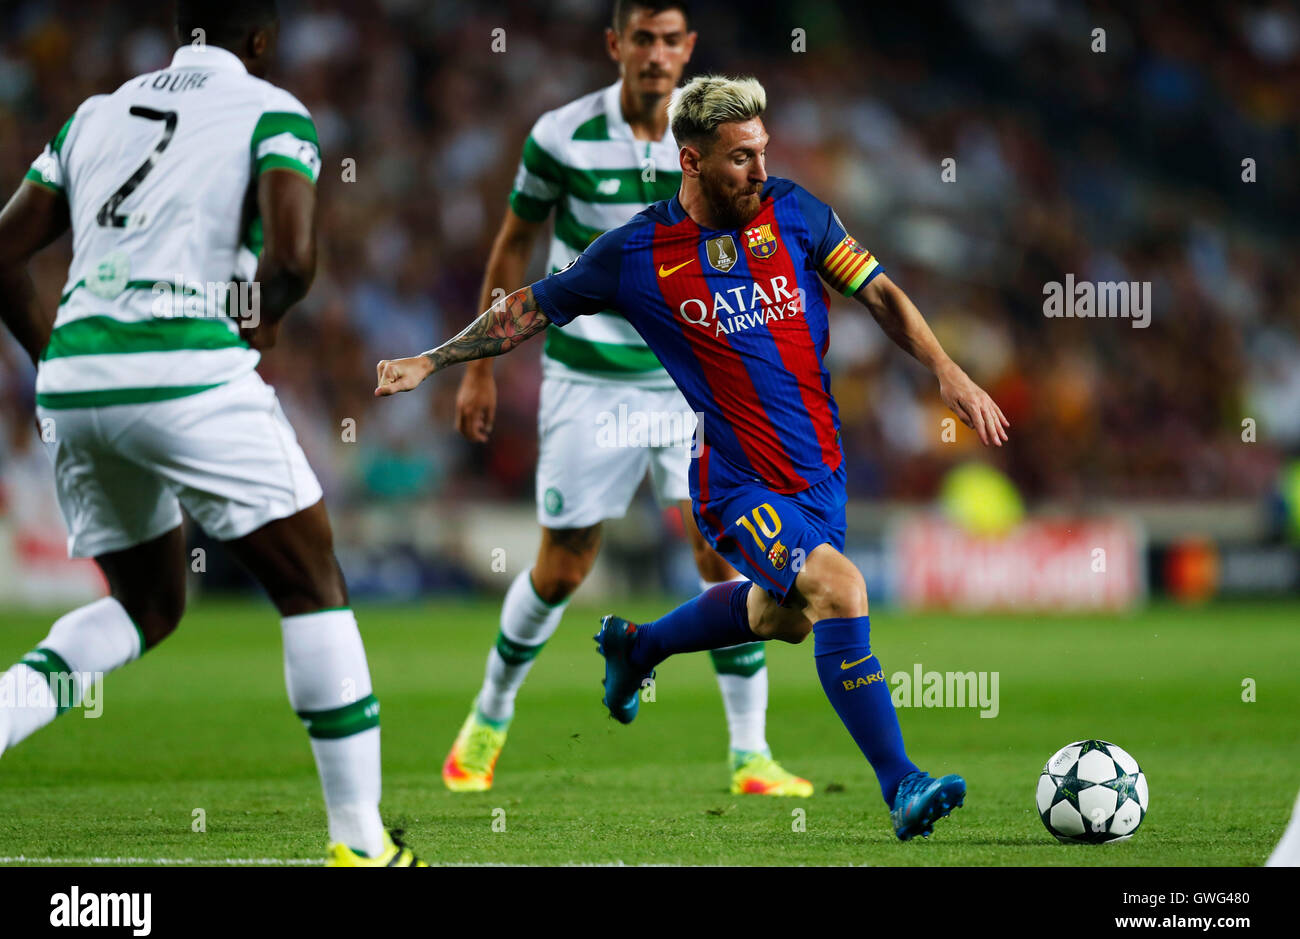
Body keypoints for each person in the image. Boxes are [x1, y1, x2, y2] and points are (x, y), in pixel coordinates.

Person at [376, 74, 1010, 840]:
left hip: (821, 474)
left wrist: (948, 369)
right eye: (741, 157)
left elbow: (879, 293)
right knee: (841, 590)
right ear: (692, 159)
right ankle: (902, 784)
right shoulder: (639, 253)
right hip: (734, 481)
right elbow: (529, 307)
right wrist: (431, 360)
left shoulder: (797, 213)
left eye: (763, 152)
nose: (759, 170)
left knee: (782, 619)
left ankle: (638, 646)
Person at [0, 0, 425, 866]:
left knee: (145, 605)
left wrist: (57, 360)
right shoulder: (272, 110)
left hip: (81, 379)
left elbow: (3, 249)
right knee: (312, 581)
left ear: (176, 31)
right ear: (262, 41)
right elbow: (297, 260)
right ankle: (361, 843)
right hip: (187, 366)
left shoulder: (95, 114)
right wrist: (256, 318)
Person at [443, 0, 811, 799]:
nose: (655, 53)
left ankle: (750, 754)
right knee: (562, 568)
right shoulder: (561, 135)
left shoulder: (721, 138)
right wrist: (479, 366)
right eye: (641, 38)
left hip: (696, 386)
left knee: (727, 550)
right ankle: (488, 718)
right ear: (615, 45)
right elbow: (515, 241)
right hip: (590, 380)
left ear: (689, 50)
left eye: (669, 39)